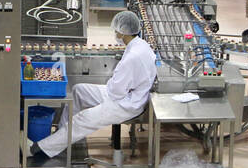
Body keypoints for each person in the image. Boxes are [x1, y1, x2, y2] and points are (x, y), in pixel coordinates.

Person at [30, 10, 156, 158]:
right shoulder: (140, 45)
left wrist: (112, 84)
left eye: (117, 30)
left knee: (82, 120)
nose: (115, 33)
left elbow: (116, 91)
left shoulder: (132, 57)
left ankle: (40, 149)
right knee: (79, 91)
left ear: (123, 32)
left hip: (126, 104)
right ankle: (61, 136)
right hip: (122, 94)